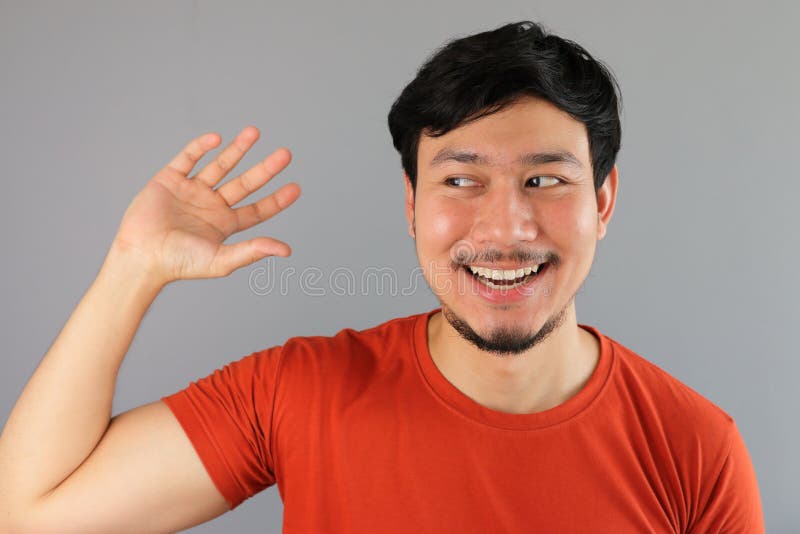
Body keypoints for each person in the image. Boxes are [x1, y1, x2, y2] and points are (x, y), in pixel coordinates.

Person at [0, 20, 764, 533]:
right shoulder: (297, 392)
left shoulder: (695, 448)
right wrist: (132, 270)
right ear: (411, 203)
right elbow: (31, 514)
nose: (503, 230)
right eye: (462, 182)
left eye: (544, 181)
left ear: (602, 202)